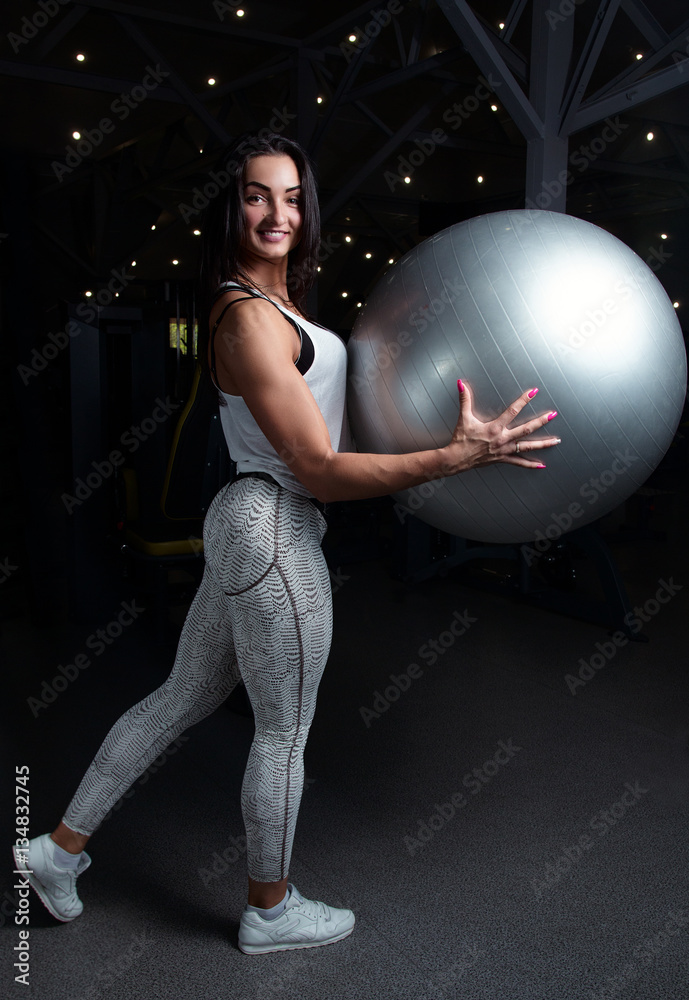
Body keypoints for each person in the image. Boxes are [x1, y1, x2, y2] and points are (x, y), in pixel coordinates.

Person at [13, 133, 560, 955]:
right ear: (231, 209)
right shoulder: (245, 319)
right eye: (257, 195)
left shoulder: (279, 310)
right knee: (282, 733)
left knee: (178, 699)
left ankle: (52, 855)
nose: (276, 212)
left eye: (292, 196)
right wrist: (458, 455)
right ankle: (269, 909)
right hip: (272, 524)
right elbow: (316, 465)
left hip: (251, 522)